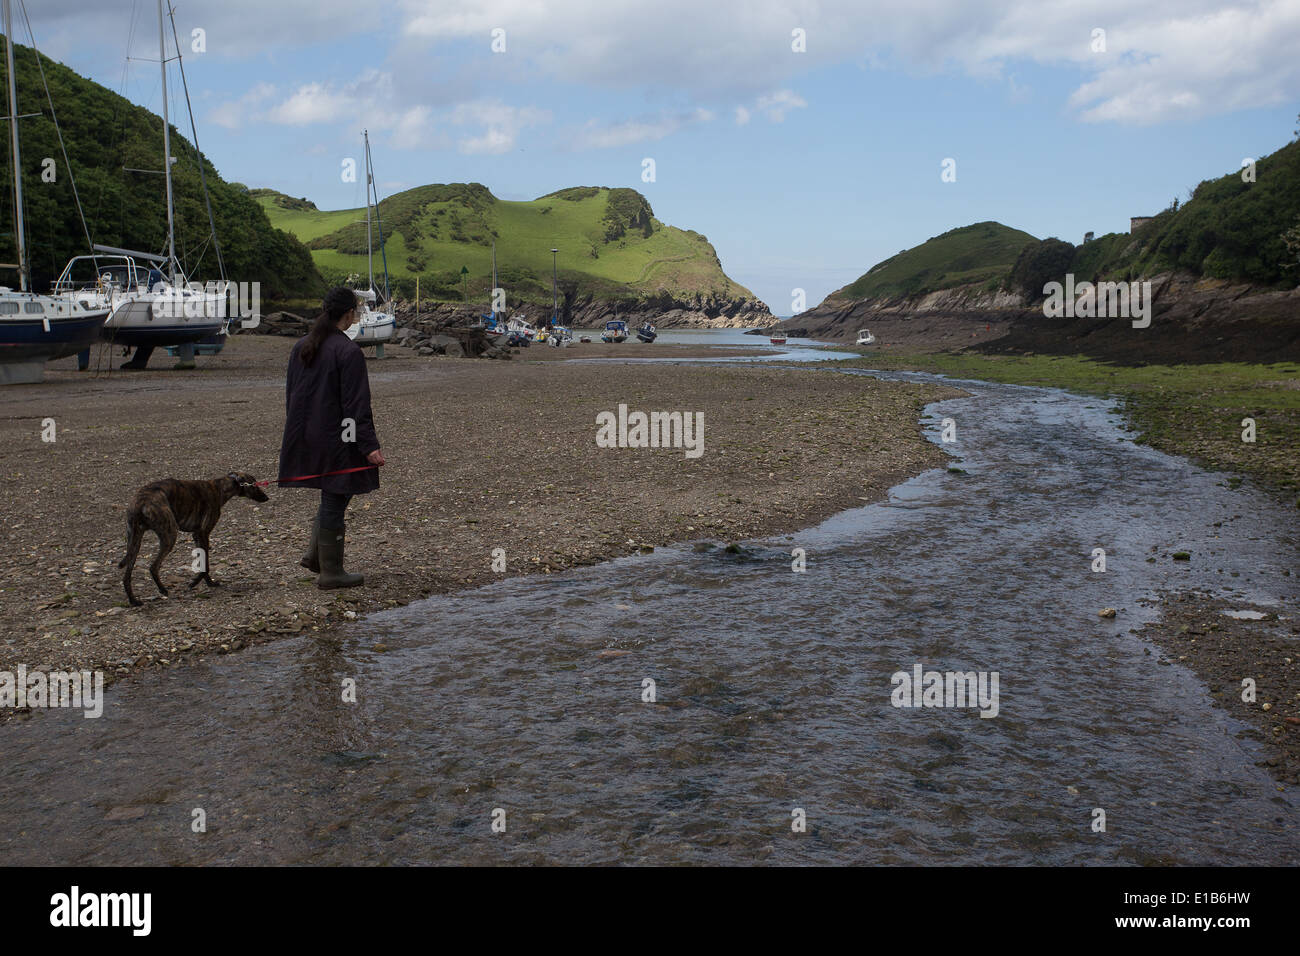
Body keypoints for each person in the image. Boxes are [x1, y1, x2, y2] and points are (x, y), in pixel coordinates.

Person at [278, 287, 386, 589]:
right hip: (338, 435)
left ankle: (316, 557)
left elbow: (292, 396)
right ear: (349, 314)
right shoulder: (348, 351)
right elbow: (355, 407)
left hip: (305, 433)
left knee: (334, 493)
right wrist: (366, 447)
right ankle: (331, 572)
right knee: (337, 493)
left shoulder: (302, 345)